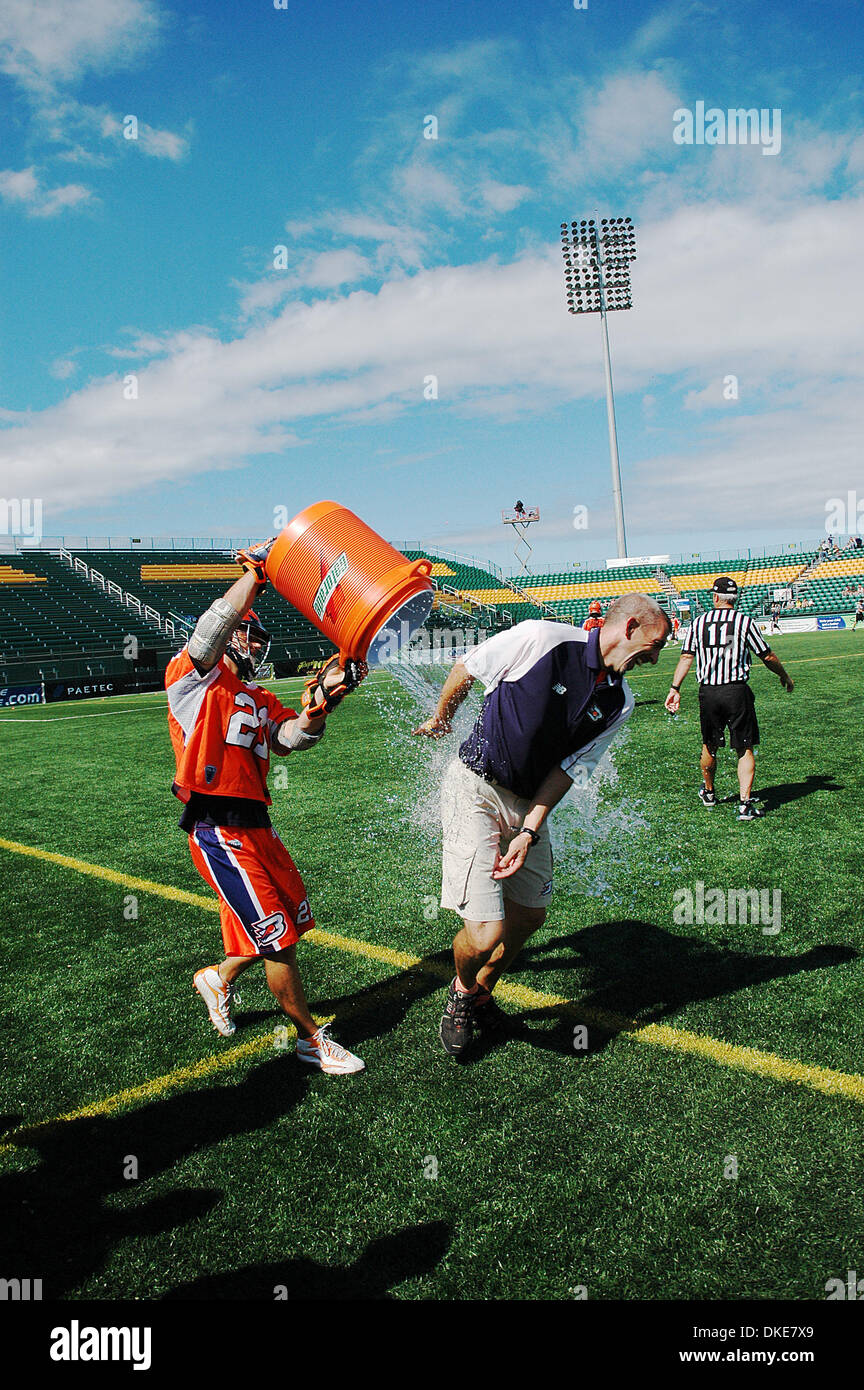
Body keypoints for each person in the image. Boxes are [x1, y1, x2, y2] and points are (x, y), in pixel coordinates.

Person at [412, 595, 671, 1058]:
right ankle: (461, 989)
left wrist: (529, 830)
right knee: (485, 934)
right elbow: (468, 666)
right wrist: (443, 717)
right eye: (655, 644)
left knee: (530, 915)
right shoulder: (543, 638)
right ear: (630, 626)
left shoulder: (620, 701)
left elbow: (568, 769)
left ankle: (482, 991)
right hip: (474, 788)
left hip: (527, 806)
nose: (655, 657)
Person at [165, 538, 367, 1074]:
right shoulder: (192, 680)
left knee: (289, 923)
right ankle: (308, 1038)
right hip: (217, 825)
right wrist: (258, 573)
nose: (256, 646)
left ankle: (220, 977)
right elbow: (210, 630)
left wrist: (323, 707)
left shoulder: (257, 696)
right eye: (250, 634)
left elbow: (292, 739)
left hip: (259, 825)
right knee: (278, 937)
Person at [664, 577, 793, 822]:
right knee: (743, 746)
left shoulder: (698, 623)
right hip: (736, 690)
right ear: (736, 599)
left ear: (714, 597)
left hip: (709, 692)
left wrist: (675, 687)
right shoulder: (745, 622)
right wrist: (785, 676)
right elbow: (767, 656)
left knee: (709, 744)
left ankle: (709, 792)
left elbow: (686, 657)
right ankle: (745, 805)